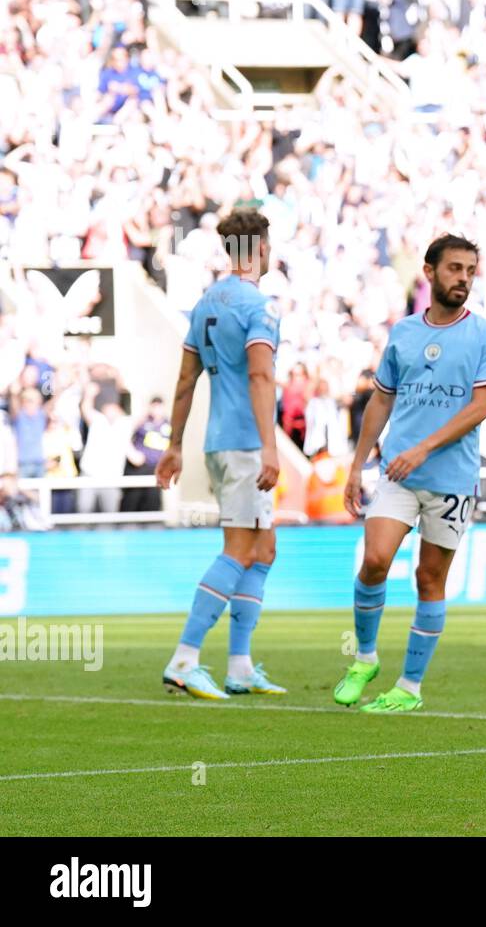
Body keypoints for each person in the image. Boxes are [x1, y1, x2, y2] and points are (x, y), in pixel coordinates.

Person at [334, 235, 486, 713]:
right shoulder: (405, 333)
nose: (464, 279)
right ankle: (364, 658)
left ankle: (408, 687)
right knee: (374, 561)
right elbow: (382, 399)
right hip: (398, 473)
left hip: (451, 478)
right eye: (454, 269)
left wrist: (424, 448)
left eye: (470, 271)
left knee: (429, 580)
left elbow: (481, 407)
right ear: (429, 272)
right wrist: (356, 465)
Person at [156, 208, 284, 700]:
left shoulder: (206, 302)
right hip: (247, 444)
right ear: (259, 249)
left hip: (217, 440)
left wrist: (173, 444)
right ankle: (185, 658)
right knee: (240, 550)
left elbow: (186, 379)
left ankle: (240, 665)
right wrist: (270, 446)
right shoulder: (259, 307)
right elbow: (259, 375)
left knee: (264, 548)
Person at [122, 395, 170, 513]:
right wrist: (131, 453)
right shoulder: (143, 421)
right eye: (154, 407)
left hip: (157, 469)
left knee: (152, 502)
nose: (156, 411)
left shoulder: (168, 424)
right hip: (138, 468)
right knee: (132, 501)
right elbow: (123, 434)